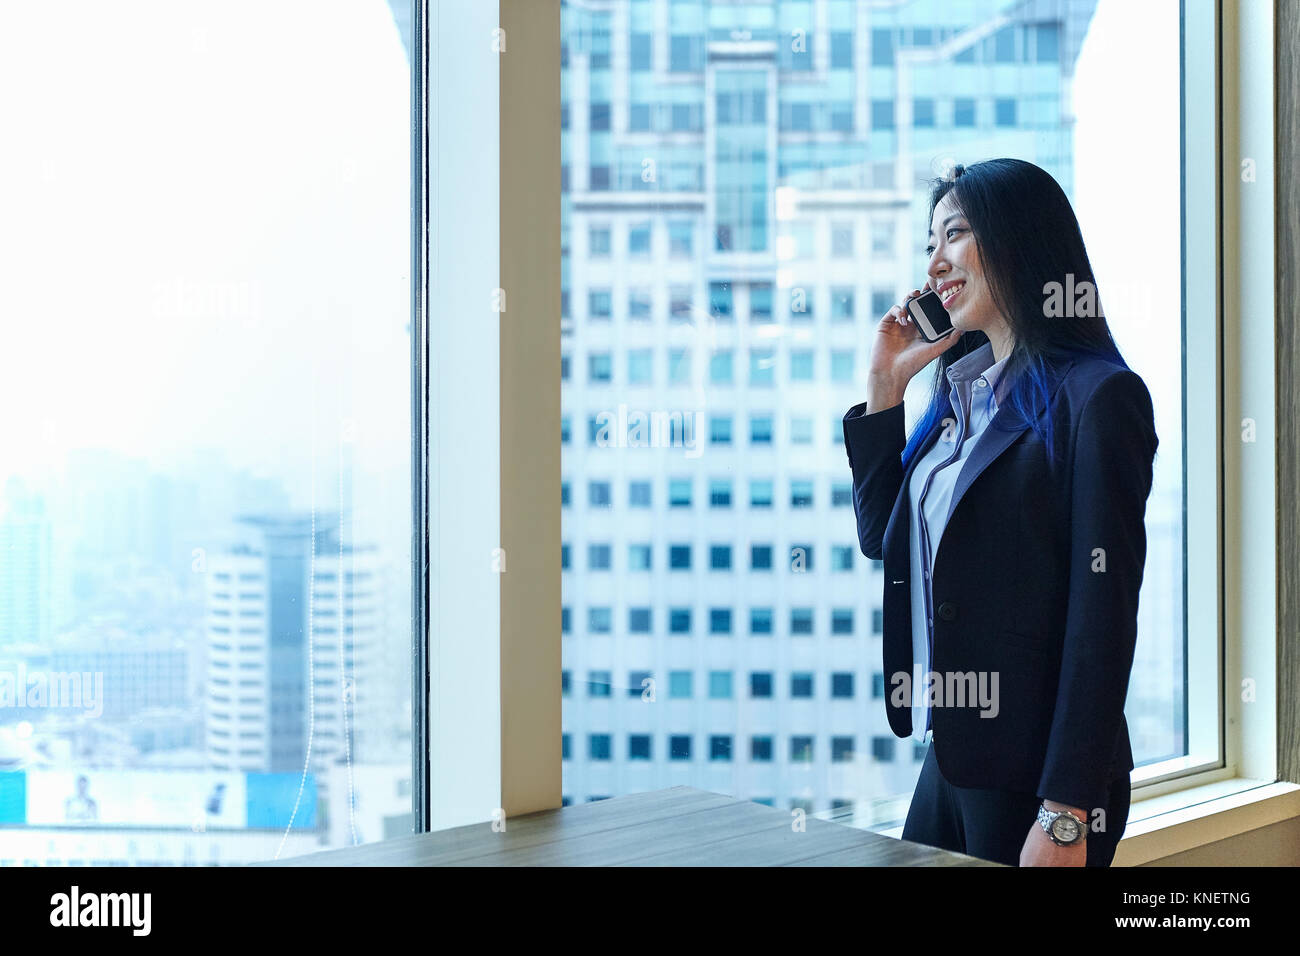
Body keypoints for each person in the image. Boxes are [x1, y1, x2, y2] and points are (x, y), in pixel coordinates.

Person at [842, 158, 1158, 867]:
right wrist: (885, 386)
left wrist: (1066, 814)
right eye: (929, 243)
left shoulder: (1097, 399)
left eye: (954, 233)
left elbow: (1101, 620)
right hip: (952, 760)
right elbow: (881, 540)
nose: (935, 261)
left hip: (1044, 783)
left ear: (1018, 239)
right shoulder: (960, 399)